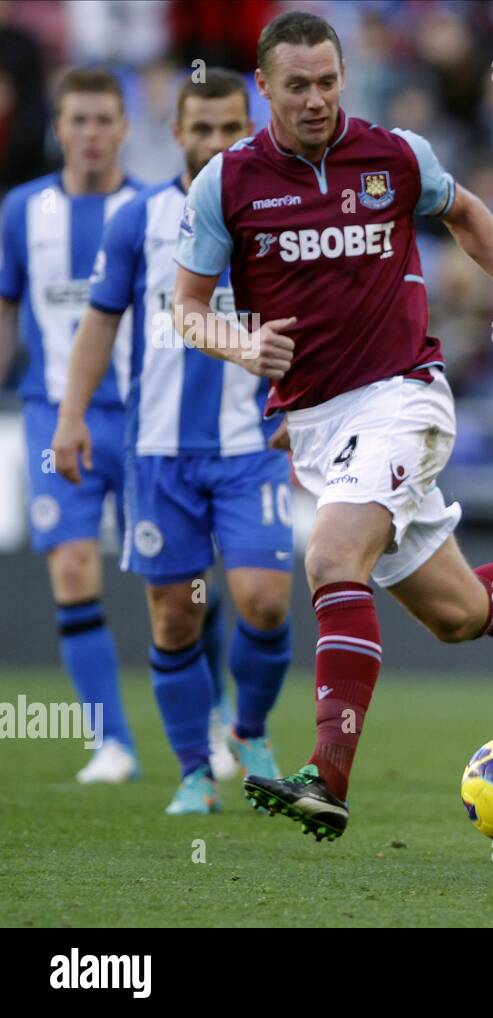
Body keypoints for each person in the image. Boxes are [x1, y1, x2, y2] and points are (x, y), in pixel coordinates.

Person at [171, 11, 493, 841]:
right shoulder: (225, 184)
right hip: (320, 427)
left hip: (403, 395)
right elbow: (184, 310)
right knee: (459, 613)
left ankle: (327, 775)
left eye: (329, 81)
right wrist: (239, 340)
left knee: (330, 555)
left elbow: (468, 213)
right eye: (298, 86)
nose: (318, 99)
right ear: (264, 87)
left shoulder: (393, 155)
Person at [53, 70, 293, 815]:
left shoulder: (277, 214)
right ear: (178, 133)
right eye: (203, 129)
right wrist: (71, 416)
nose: (217, 142)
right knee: (175, 615)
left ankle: (247, 730)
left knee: (262, 601)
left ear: (248, 128)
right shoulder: (140, 220)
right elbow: (98, 322)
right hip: (158, 454)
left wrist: (306, 405)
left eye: (230, 129)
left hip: (251, 444)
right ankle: (194, 770)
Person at [0, 68, 142, 783]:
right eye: (77, 120)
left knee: (178, 583)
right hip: (54, 416)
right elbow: (4, 313)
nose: (90, 133)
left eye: (103, 119)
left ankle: (210, 729)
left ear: (124, 127)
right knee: (72, 565)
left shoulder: (152, 209)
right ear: (58, 129)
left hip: (150, 420)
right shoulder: (21, 211)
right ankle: (111, 741)